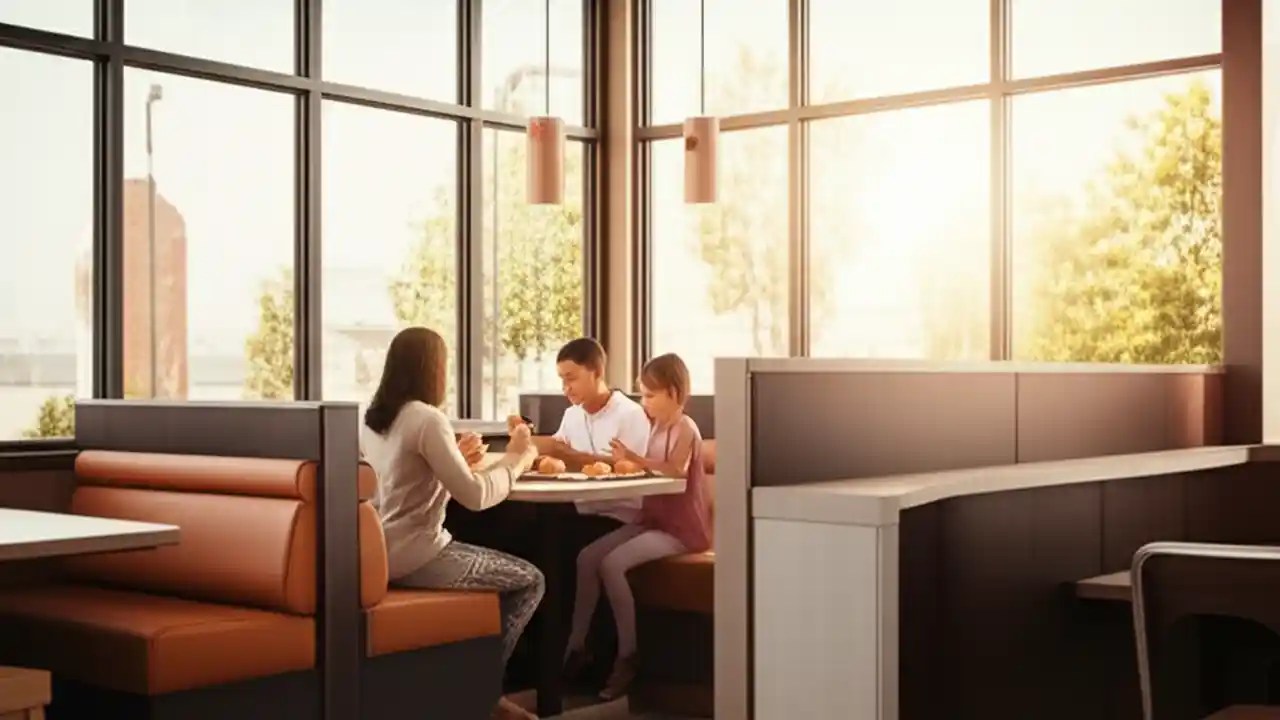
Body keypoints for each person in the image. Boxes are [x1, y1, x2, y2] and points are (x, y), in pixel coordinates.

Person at [360, 327, 543, 720]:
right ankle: (485, 696)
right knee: (530, 580)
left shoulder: (374, 419)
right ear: (434, 368)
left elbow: (404, 484)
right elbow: (477, 497)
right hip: (418, 555)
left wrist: (457, 459)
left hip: (379, 554)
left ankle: (468, 688)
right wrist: (518, 459)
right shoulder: (427, 418)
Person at [562, 353, 712, 700]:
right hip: (652, 520)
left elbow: (674, 471)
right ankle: (577, 645)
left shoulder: (685, 428)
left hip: (680, 530)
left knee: (611, 564)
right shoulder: (654, 426)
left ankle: (628, 655)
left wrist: (634, 459)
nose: (643, 403)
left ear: (674, 393)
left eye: (649, 395)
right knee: (587, 557)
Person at [537, 337, 651, 523]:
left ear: (597, 372)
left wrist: (564, 453)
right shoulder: (571, 415)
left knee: (547, 526)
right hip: (577, 510)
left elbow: (631, 471)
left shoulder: (631, 414)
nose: (565, 389)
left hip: (618, 516)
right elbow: (556, 454)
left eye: (571, 379)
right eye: (562, 380)